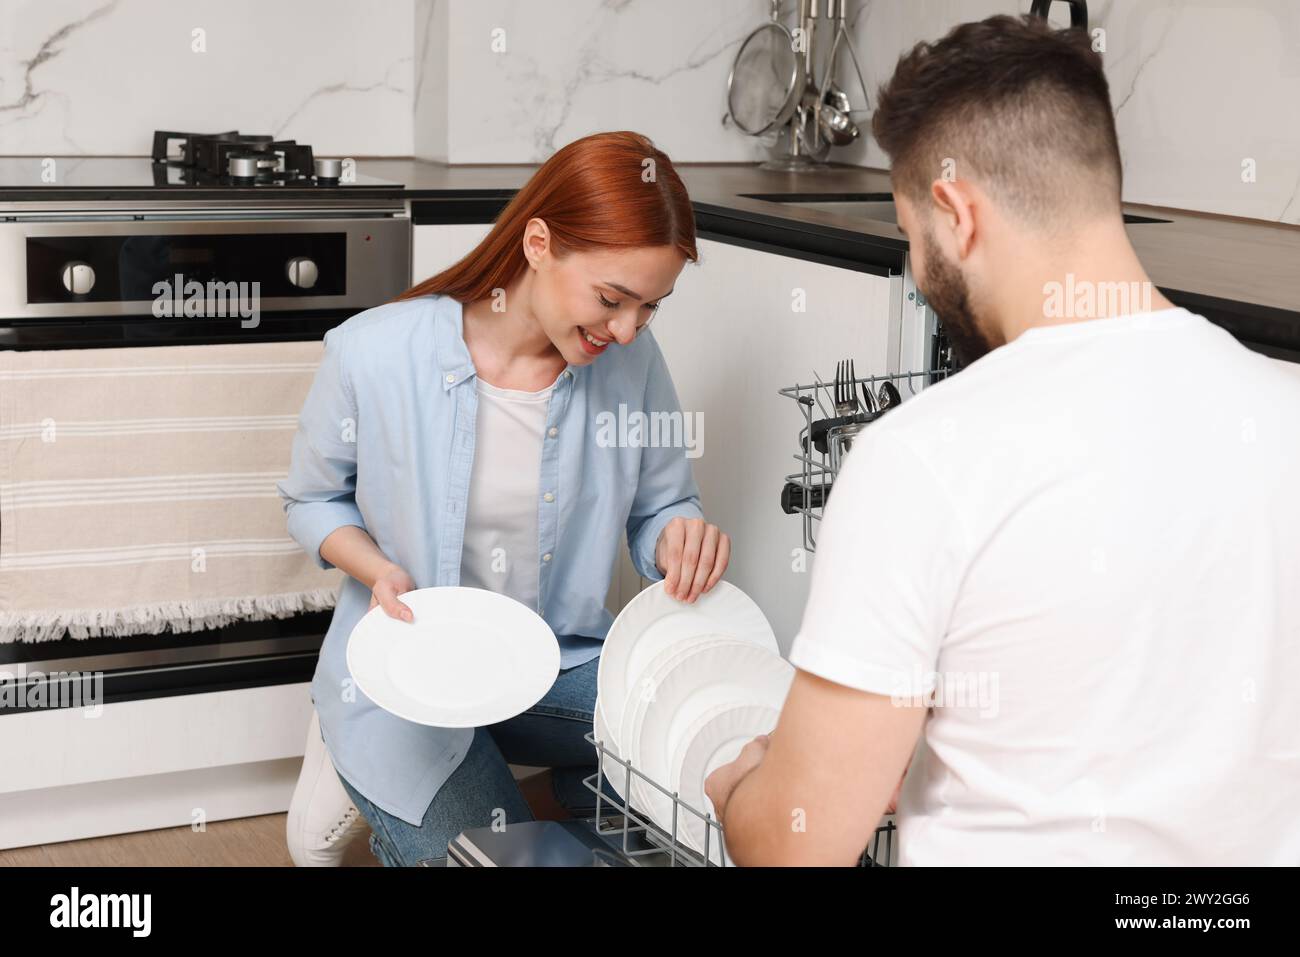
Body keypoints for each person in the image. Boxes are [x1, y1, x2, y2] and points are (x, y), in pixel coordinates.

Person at [706, 14, 1300, 866]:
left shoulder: (921, 458)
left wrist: (739, 787)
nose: (919, 271)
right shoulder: (1282, 413)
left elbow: (796, 848)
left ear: (955, 213)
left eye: (913, 238)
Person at [279, 131, 730, 866]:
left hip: (555, 663)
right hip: (408, 679)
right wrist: (375, 568)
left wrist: (680, 536)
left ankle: (592, 790)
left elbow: (662, 505)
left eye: (650, 309)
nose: (625, 331)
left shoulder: (632, 362)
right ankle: (350, 749)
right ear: (539, 243)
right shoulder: (374, 351)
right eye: (612, 299)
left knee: (703, 737)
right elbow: (312, 499)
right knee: (501, 856)